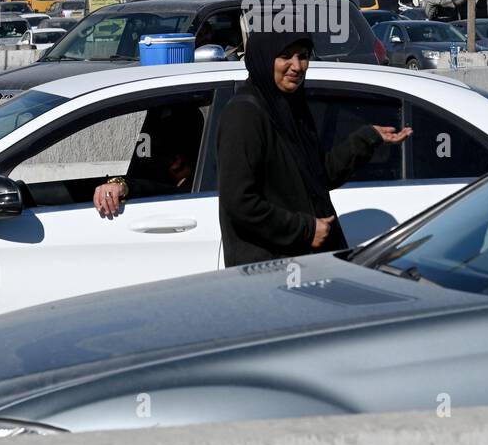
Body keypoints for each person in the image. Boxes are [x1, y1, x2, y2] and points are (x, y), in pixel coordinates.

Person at [217, 26, 411, 266]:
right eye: (286, 56)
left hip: (306, 264)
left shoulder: (291, 107)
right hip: (270, 271)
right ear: (265, 58)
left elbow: (318, 176)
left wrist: (366, 138)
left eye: (303, 56)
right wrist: (305, 230)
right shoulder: (245, 114)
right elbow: (239, 202)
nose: (297, 66)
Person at [93, 105, 204, 218]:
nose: (172, 162)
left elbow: (171, 192)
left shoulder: (202, 188)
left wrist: (123, 186)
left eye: (170, 158)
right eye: (158, 155)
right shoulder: (155, 174)